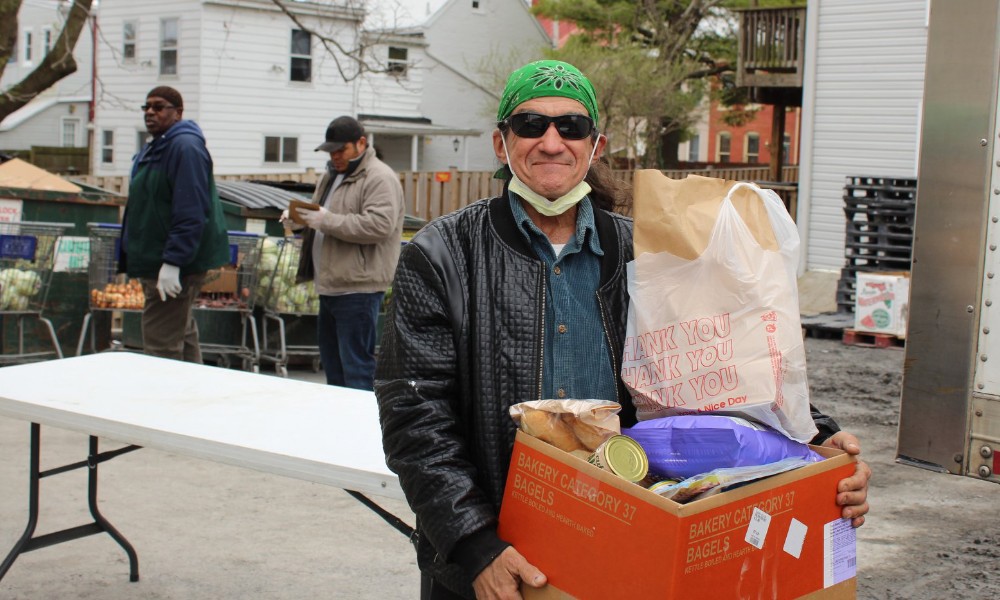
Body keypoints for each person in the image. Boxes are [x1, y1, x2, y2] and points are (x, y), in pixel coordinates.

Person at [375, 60, 872, 600]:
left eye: (570, 126)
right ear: (501, 143)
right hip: (493, 558)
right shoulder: (444, 254)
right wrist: (474, 547)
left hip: (625, 542)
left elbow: (726, 362)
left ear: (595, 144)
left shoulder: (648, 254)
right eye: (529, 124)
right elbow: (415, 416)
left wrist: (816, 438)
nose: (550, 141)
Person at [280, 116, 404, 390]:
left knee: (356, 368)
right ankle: (337, 425)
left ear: (361, 143)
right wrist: (297, 220)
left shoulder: (380, 177)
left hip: (358, 288)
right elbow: (318, 216)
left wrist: (324, 220)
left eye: (340, 150)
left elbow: (380, 225)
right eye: (331, 151)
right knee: (334, 369)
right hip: (332, 285)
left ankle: (360, 428)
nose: (335, 156)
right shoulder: (332, 176)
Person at [121, 86, 229, 363]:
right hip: (160, 258)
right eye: (146, 107)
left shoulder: (185, 147)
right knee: (180, 332)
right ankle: (197, 395)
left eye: (159, 107)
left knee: (161, 347)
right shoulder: (158, 147)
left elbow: (191, 208)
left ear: (178, 113)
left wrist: (173, 262)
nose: (150, 112)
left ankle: (162, 401)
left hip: (174, 262)